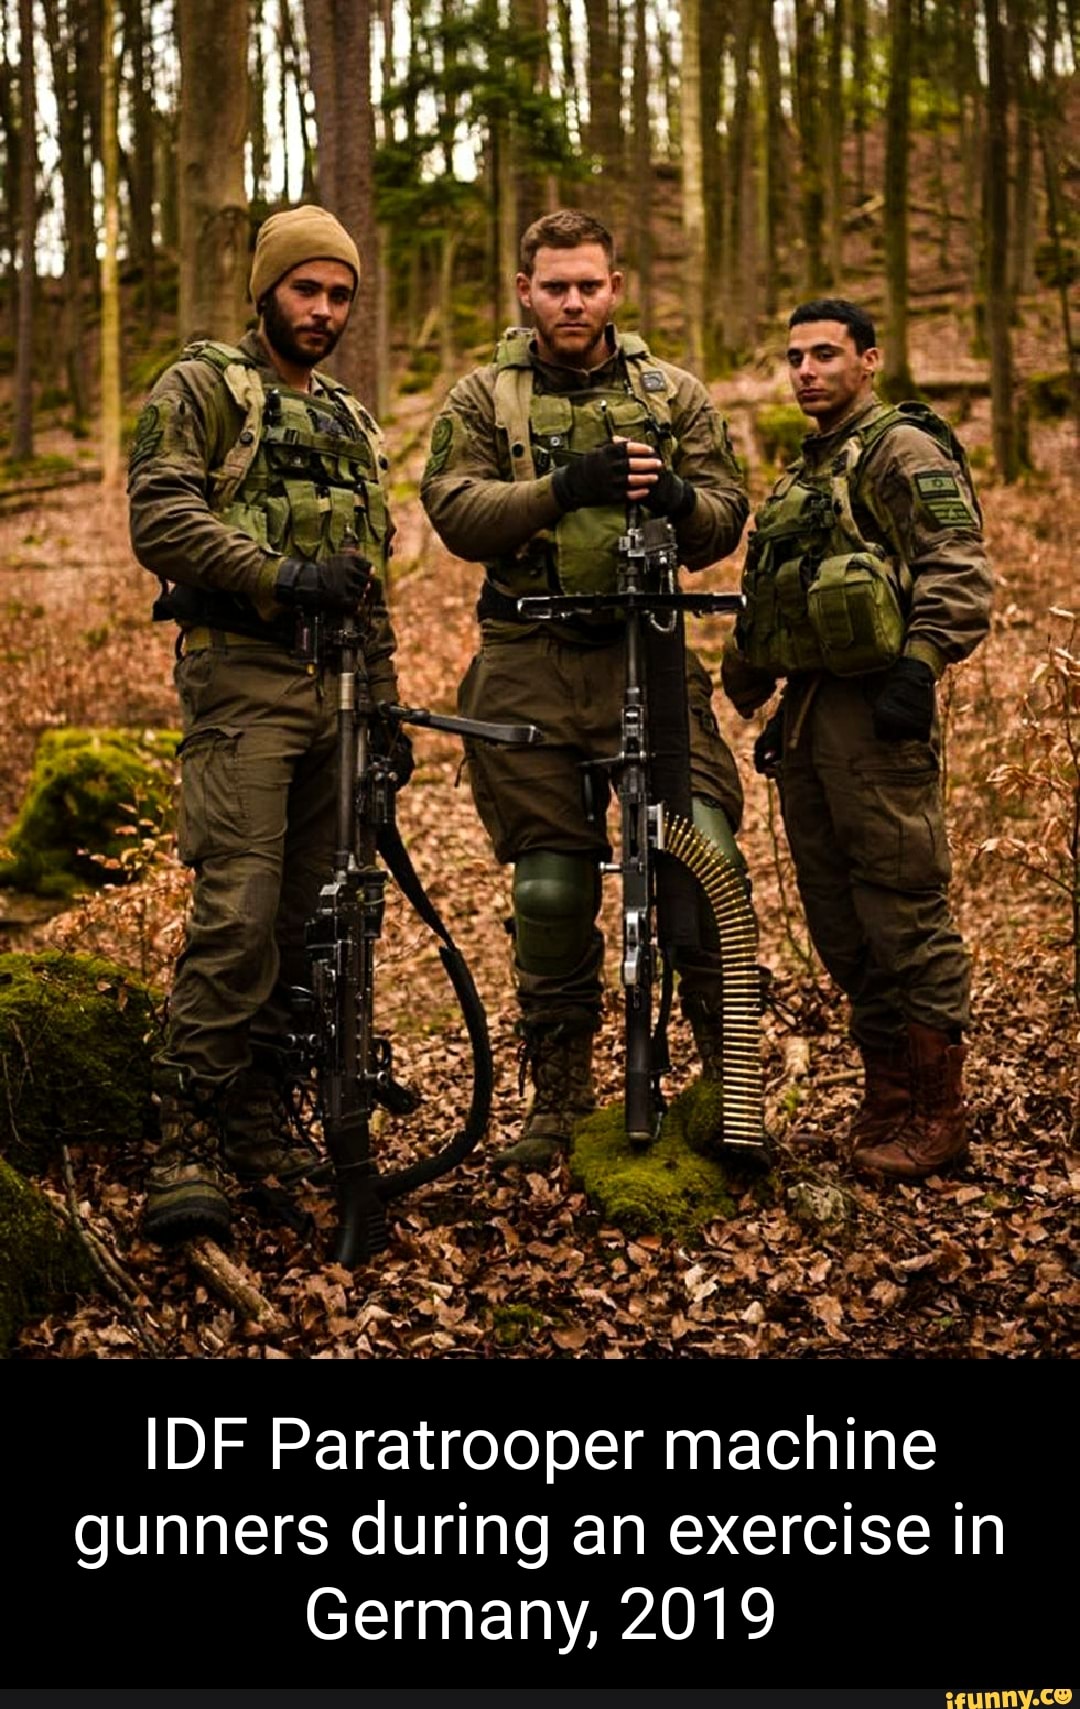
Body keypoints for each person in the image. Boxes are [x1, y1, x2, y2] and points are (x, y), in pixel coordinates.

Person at [420, 208, 750, 1168]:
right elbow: (456, 511)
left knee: (704, 856)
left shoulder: (671, 393)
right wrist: (567, 486)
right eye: (555, 285)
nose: (574, 300)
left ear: (617, 287)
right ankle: (560, 1101)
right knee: (553, 884)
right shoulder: (483, 397)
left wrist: (680, 500)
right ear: (525, 291)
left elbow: (728, 515)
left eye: (590, 284)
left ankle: (727, 1090)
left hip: (648, 645)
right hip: (527, 654)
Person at [128, 204, 408, 1242]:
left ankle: (257, 1116)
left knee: (314, 924)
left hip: (339, 698)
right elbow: (161, 514)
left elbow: (368, 580)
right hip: (242, 683)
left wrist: (383, 706)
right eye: (307, 289)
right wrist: (278, 574)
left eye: (340, 294)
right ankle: (185, 1131)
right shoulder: (203, 387)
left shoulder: (348, 420)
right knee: (237, 911)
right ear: (266, 290)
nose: (325, 310)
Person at [722, 298, 992, 1180]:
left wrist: (920, 667)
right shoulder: (807, 471)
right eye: (795, 355)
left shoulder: (899, 450)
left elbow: (958, 563)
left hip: (879, 713)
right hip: (810, 718)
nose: (806, 370)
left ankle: (938, 1109)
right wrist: (759, 680)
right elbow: (781, 591)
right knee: (839, 919)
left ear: (869, 362)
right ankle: (886, 1094)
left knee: (903, 908)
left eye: (827, 355)